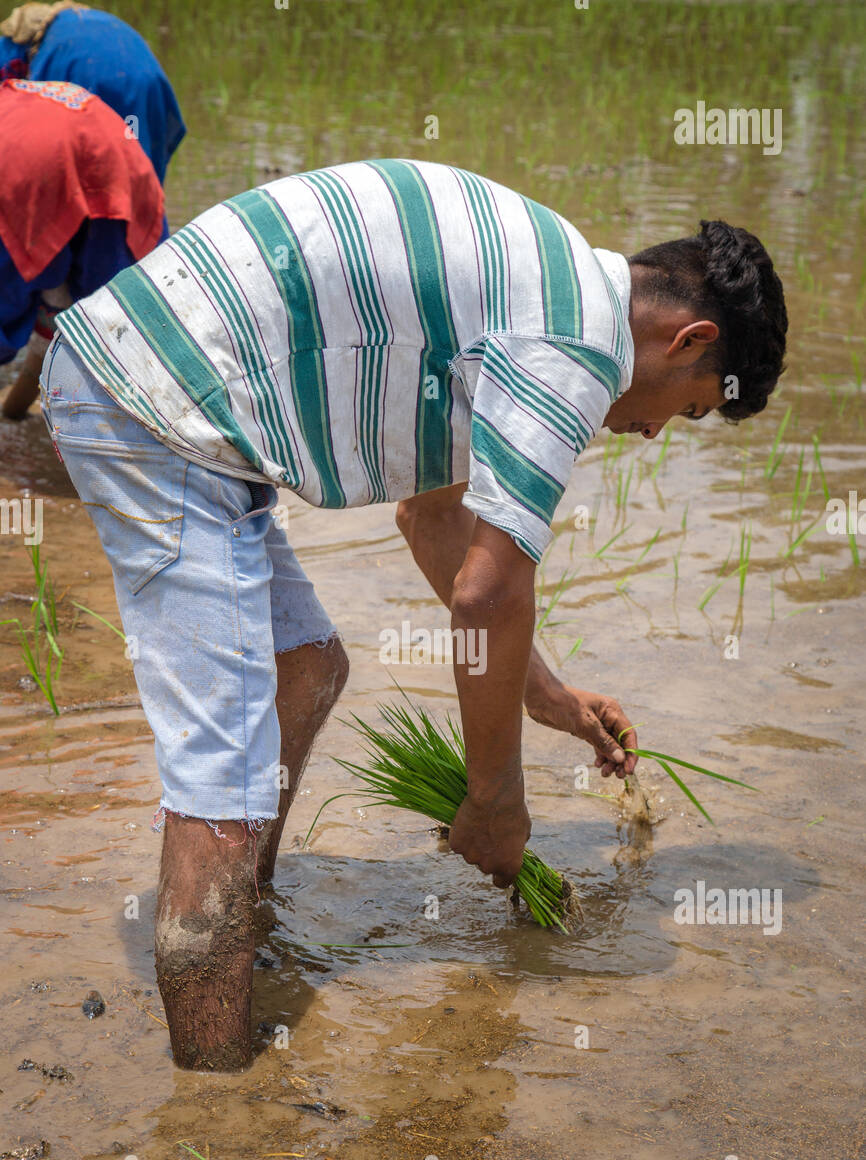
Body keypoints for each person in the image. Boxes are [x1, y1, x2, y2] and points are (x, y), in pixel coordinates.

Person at [40, 159, 788, 1072]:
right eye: (691, 408)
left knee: (307, 666)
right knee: (223, 775)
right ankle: (214, 1107)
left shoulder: (541, 286)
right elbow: (488, 591)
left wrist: (545, 696)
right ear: (688, 339)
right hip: (152, 404)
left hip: (165, 393)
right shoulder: (575, 349)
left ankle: (249, 921)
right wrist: (494, 803)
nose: (654, 431)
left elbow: (432, 518)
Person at [0, 77, 166, 417]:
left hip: (42, 165)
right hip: (118, 155)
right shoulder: (14, 88)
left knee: (107, 326)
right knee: (121, 320)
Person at [0, 2, 185, 182]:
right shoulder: (74, 21)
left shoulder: (14, 50)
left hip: (93, 75)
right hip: (147, 80)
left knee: (81, 168)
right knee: (138, 158)